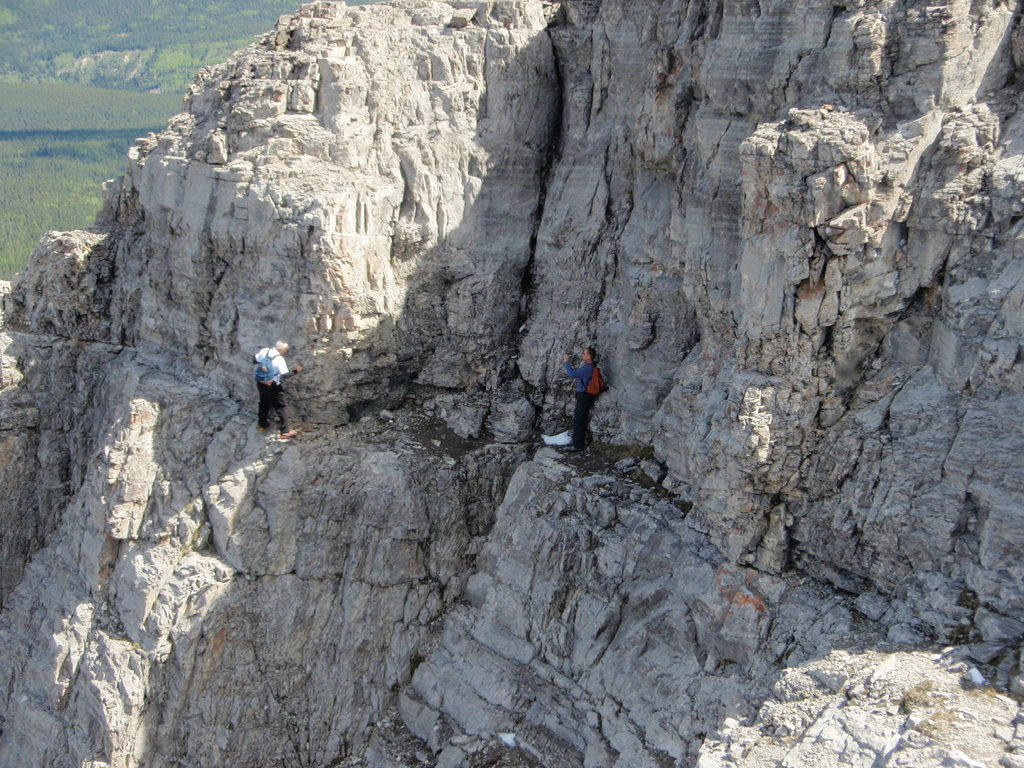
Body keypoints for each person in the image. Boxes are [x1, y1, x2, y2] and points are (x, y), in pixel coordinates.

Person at [254, 340, 303, 439]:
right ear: (281, 349)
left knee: (263, 403)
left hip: (261, 382)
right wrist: (296, 371)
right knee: (281, 407)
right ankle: (285, 431)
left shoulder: (265, 351)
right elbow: (284, 375)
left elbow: (254, 360)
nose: (286, 352)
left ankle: (262, 425)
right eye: (285, 350)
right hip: (273, 385)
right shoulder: (279, 359)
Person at [562, 347, 597, 452]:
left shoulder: (588, 368)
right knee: (579, 418)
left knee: (579, 419)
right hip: (585, 395)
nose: (582, 355)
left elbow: (573, 374)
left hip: (584, 396)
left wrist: (566, 362)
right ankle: (577, 440)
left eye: (584, 353)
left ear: (589, 356)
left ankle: (578, 445)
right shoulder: (589, 367)